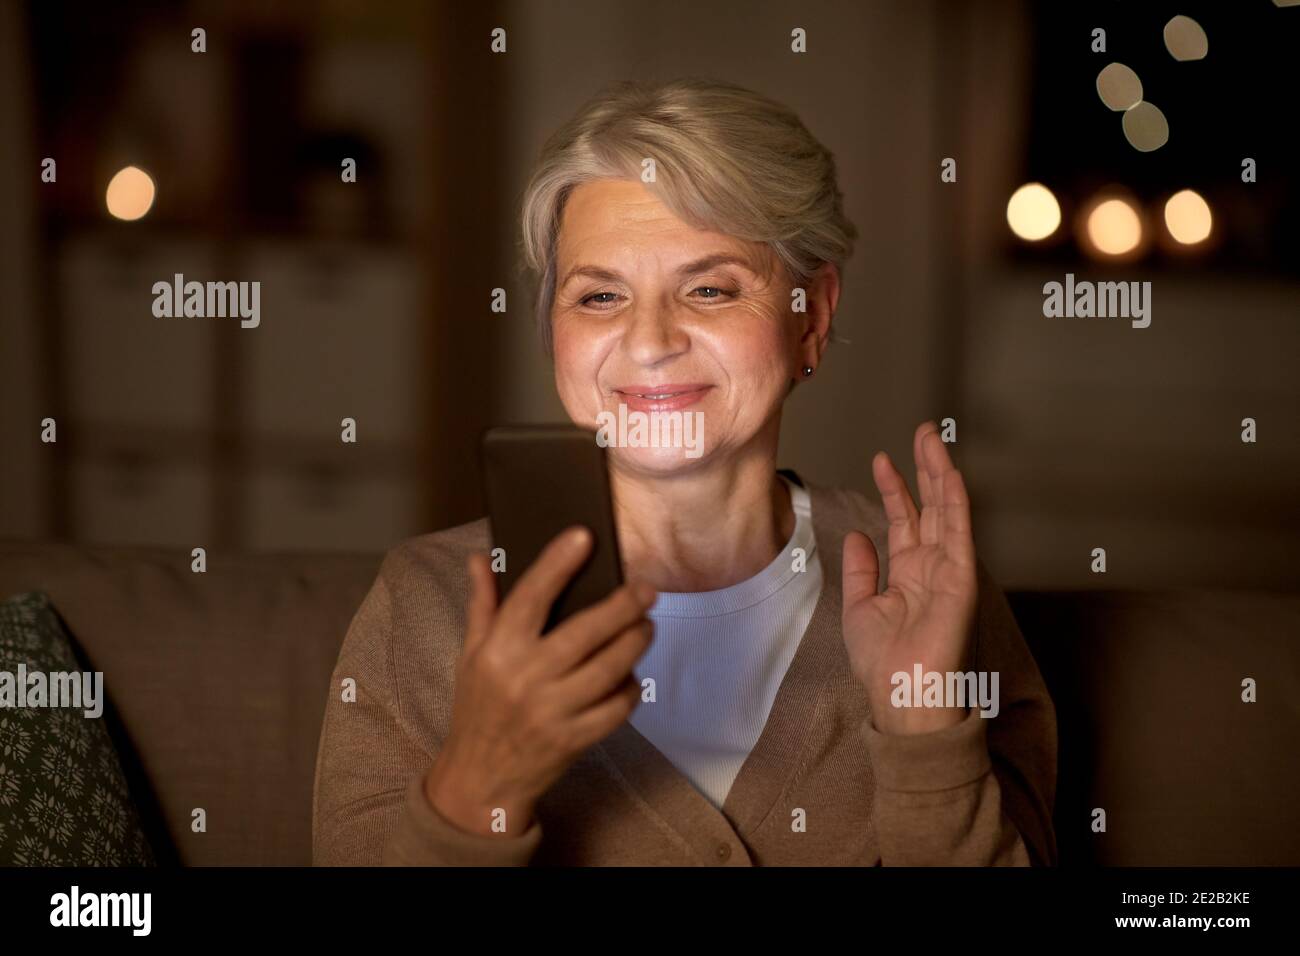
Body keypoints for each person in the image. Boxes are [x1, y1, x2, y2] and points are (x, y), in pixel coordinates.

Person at [312, 78, 1057, 866]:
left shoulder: (934, 591)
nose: (650, 339)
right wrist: (480, 781)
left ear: (813, 316)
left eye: (709, 288)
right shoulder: (426, 604)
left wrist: (923, 732)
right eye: (600, 296)